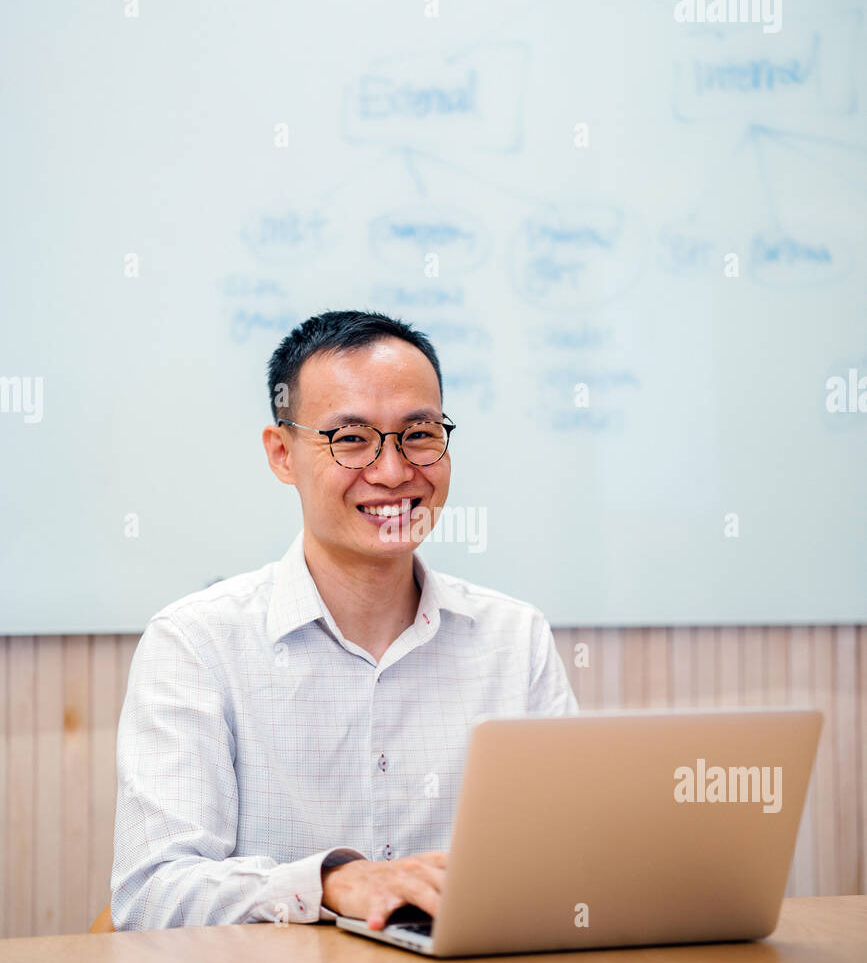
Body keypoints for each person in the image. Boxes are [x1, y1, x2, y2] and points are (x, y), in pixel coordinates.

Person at [111, 310, 578, 931]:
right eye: (351, 439)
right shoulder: (196, 644)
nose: (392, 472)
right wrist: (332, 883)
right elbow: (152, 896)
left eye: (420, 434)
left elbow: (573, 860)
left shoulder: (514, 638)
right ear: (282, 454)